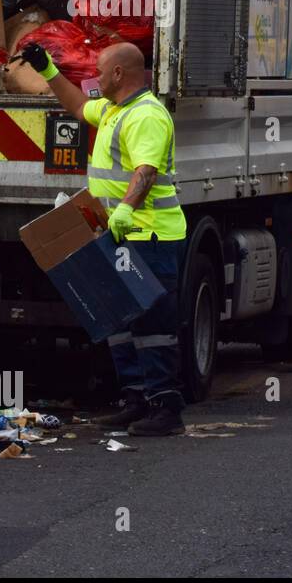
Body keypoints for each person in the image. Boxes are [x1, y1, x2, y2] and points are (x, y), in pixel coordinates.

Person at [22, 41, 188, 436]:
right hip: (121, 232)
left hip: (151, 235)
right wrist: (47, 70)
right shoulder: (115, 110)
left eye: (100, 70)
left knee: (154, 324)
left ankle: (166, 409)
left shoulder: (146, 116)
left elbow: (145, 172)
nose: (95, 77)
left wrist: (127, 209)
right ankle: (135, 400)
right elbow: (79, 107)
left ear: (118, 74)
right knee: (122, 320)